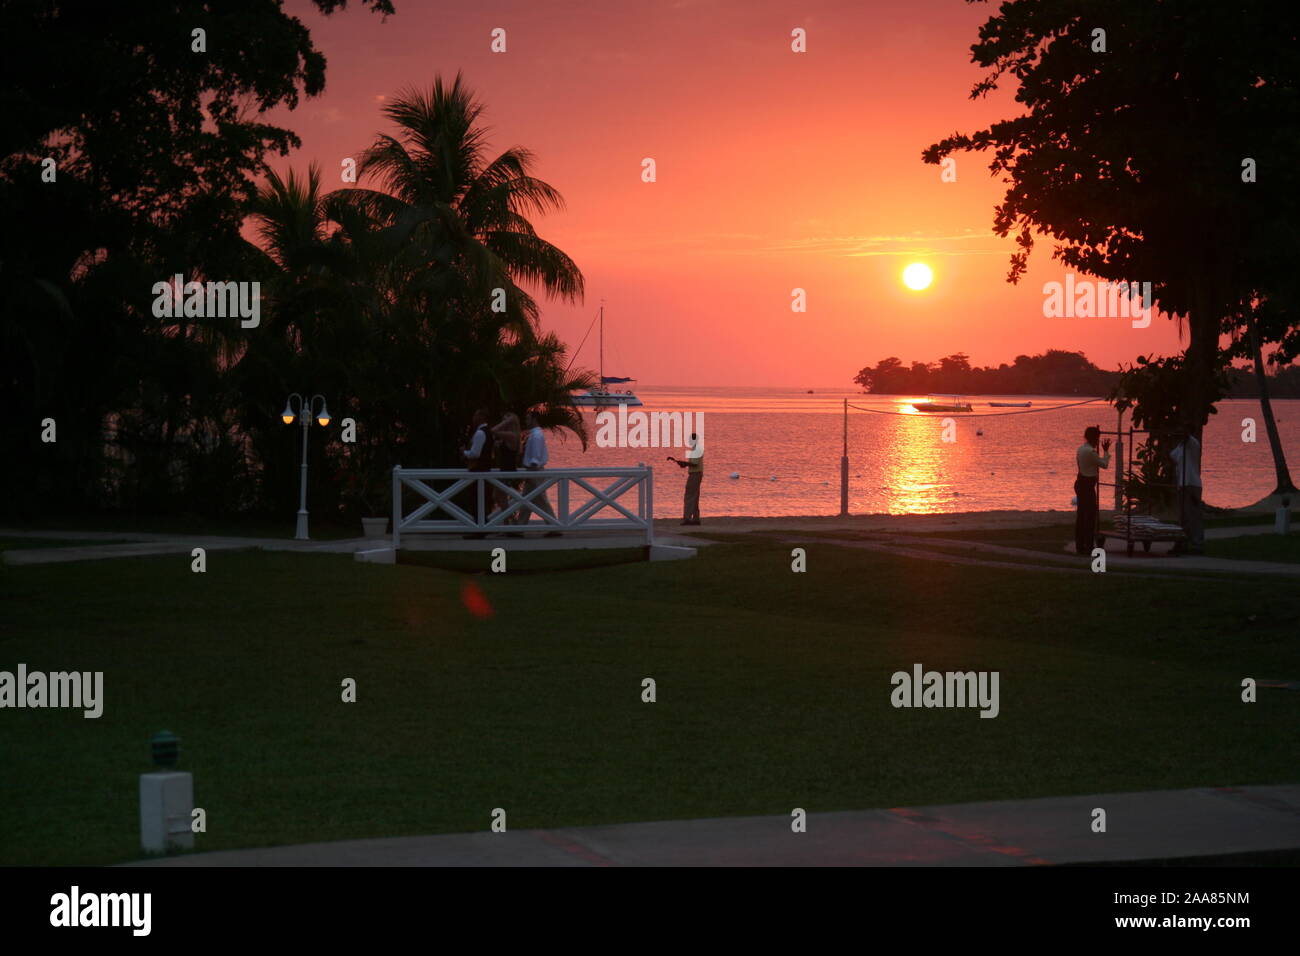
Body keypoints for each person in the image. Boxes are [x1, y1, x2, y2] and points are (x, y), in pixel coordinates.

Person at [521, 411, 561, 537]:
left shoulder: (537, 435)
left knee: (540, 500)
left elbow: (536, 456)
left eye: (528, 418)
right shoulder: (535, 434)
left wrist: (532, 468)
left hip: (534, 470)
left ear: (534, 419)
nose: (526, 421)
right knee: (526, 500)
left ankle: (554, 526)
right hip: (533, 470)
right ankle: (519, 527)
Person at [1075, 425, 1111, 556]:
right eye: (1097, 438)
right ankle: (1089, 546)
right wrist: (1106, 452)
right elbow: (1104, 465)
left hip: (1080, 482)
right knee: (1090, 516)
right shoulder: (1091, 452)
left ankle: (1080, 545)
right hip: (1087, 485)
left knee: (1081, 516)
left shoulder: (1081, 449)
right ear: (1095, 438)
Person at [1169, 429, 1204, 555]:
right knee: (1183, 517)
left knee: (1193, 515)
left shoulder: (1193, 444)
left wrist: (1186, 433)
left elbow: (1187, 437)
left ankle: (1197, 544)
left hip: (1192, 484)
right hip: (1182, 484)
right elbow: (1172, 456)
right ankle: (1182, 543)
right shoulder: (1179, 447)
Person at [461, 408, 494, 538]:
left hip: (479, 470)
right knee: (480, 500)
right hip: (485, 470)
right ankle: (482, 526)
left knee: (476, 500)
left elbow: (475, 453)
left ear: (481, 417)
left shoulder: (480, 433)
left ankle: (479, 529)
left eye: (475, 415)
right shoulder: (488, 432)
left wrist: (464, 452)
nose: (473, 418)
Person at [490, 411, 523, 528]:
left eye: (505, 421)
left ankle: (509, 524)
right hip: (504, 471)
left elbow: (493, 430)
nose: (503, 423)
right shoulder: (508, 436)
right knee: (499, 497)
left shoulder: (512, 435)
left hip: (507, 472)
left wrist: (507, 421)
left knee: (499, 497)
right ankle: (509, 523)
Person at [674, 433, 704, 525]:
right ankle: (696, 518)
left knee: (689, 495)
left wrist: (684, 464)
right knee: (694, 496)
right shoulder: (696, 449)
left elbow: (694, 464)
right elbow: (693, 463)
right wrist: (685, 464)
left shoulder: (696, 450)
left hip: (695, 475)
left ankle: (687, 518)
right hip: (696, 474)